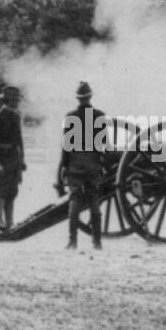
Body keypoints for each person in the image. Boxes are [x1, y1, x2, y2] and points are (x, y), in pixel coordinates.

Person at [57, 80, 107, 250]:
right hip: (93, 164)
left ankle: (73, 241)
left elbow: (66, 145)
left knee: (74, 202)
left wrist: (64, 166)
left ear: (78, 99)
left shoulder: (70, 116)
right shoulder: (99, 115)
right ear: (90, 97)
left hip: (76, 165)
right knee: (94, 201)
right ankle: (97, 242)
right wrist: (103, 165)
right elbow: (103, 145)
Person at [0, 85, 25, 229]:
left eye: (17, 100)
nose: (17, 102)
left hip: (15, 158)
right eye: (15, 100)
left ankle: (9, 221)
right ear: (8, 101)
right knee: (2, 189)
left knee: (13, 190)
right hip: (2, 158)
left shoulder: (16, 116)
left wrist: (22, 160)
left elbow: (20, 141)